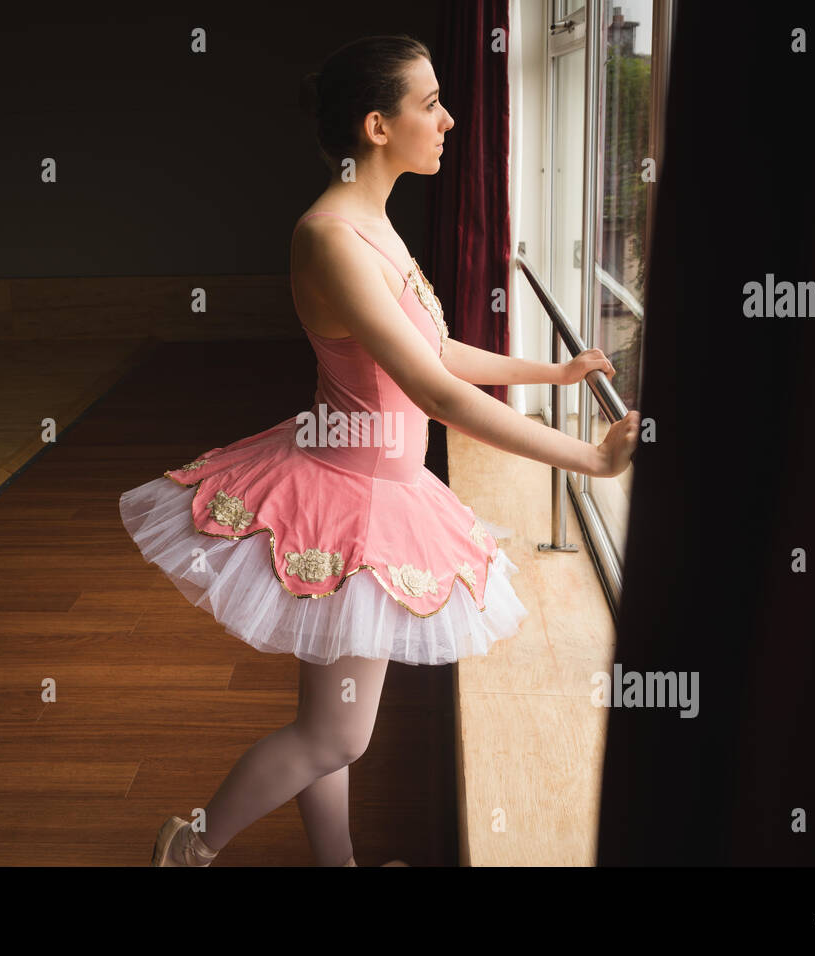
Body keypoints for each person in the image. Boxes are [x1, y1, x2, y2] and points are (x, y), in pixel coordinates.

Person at [121, 34, 641, 867]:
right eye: (429, 103)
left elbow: (435, 352)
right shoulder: (330, 236)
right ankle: (189, 846)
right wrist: (588, 460)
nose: (449, 118)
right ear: (375, 125)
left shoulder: (374, 224)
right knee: (338, 737)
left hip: (377, 488)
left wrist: (554, 368)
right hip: (348, 495)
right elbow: (436, 396)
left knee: (326, 728)